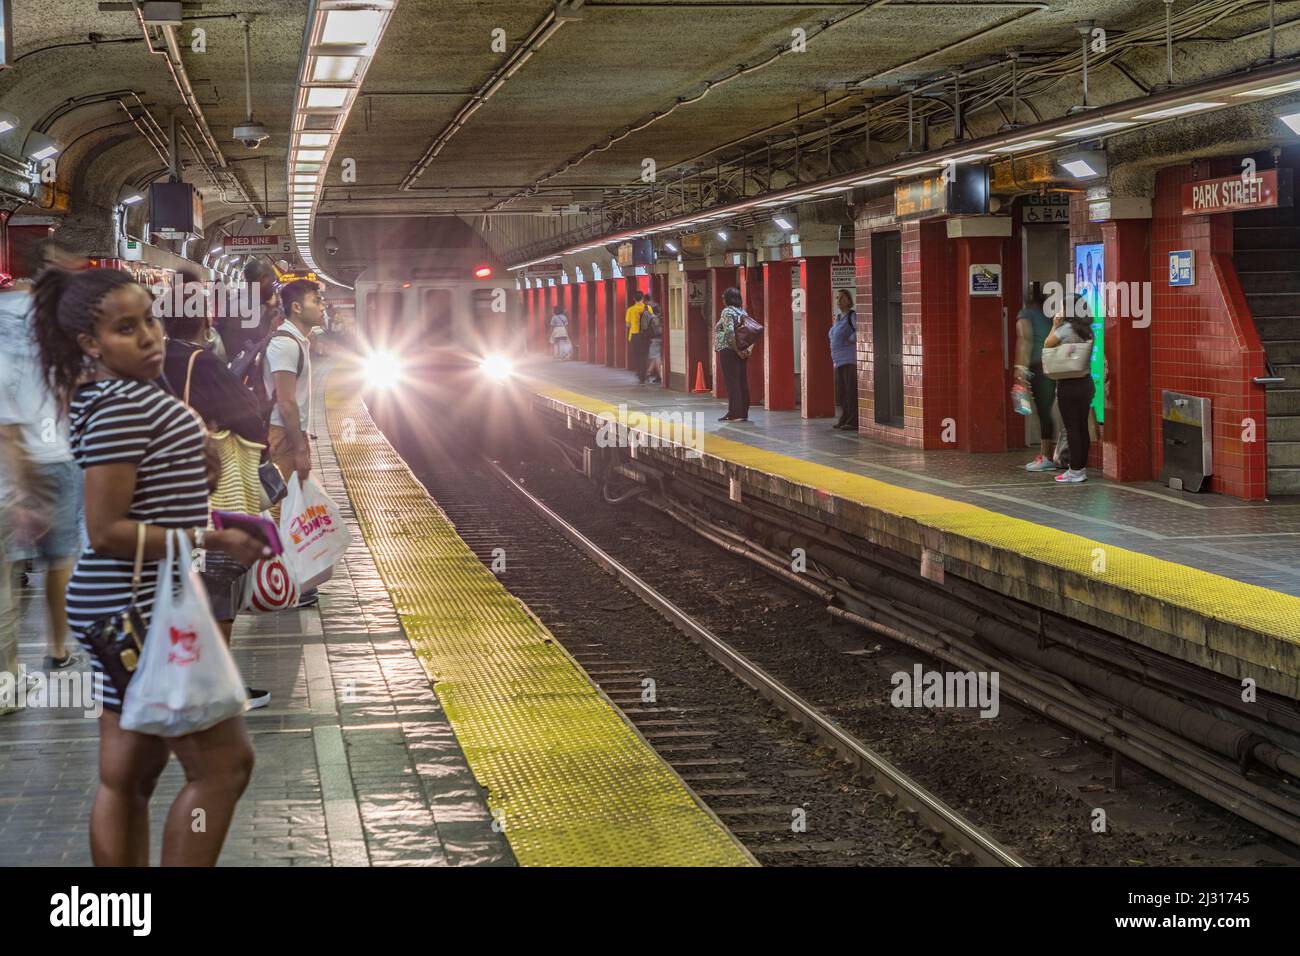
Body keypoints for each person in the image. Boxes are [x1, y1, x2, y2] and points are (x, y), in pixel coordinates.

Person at [32, 266, 270, 866]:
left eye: (151, 319)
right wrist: (212, 543)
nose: (149, 337)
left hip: (126, 601)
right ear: (92, 344)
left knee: (129, 773)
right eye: (125, 328)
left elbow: (150, 495)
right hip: (133, 605)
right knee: (222, 766)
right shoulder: (121, 406)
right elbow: (108, 529)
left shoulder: (125, 395)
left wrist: (202, 486)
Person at [161, 273, 272, 709]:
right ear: (204, 319)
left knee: (178, 587)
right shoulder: (201, 361)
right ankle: (219, 684)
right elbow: (247, 417)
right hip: (209, 491)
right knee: (217, 586)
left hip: (162, 492)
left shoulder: (151, 360)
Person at [0, 275, 85, 675]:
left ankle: (10, 666)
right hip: (56, 454)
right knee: (60, 557)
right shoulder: (58, 330)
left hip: (10, 461)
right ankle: (56, 648)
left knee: (10, 570)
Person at [263, 279, 324, 484]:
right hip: (281, 435)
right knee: (281, 507)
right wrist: (299, 448)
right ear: (296, 307)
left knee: (292, 506)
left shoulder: (298, 340)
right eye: (316, 301)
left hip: (290, 432)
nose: (322, 306)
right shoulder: (285, 344)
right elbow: (286, 402)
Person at [1044, 294, 1095, 484]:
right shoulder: (1088, 330)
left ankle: (1074, 471)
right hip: (1086, 383)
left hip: (1068, 384)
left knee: (1072, 428)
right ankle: (1080, 469)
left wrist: (1054, 325)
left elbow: (1048, 344)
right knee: (1082, 427)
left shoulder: (1065, 328)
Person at [1014, 286, 1059, 471]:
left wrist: (1020, 368)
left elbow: (1025, 339)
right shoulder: (1047, 316)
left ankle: (1046, 456)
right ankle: (1046, 454)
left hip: (1037, 367)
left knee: (1043, 412)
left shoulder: (1025, 314)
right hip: (1050, 366)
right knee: (1045, 411)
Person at [715, 287, 753, 422]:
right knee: (742, 381)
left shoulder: (727, 311)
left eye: (723, 297)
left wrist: (736, 350)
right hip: (741, 350)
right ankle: (743, 412)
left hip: (729, 350)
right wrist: (745, 350)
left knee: (732, 382)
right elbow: (750, 332)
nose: (722, 299)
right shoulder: (742, 311)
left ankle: (734, 413)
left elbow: (729, 333)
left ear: (728, 299)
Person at [829, 289, 858, 430]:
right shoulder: (839, 317)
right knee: (842, 392)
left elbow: (860, 330)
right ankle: (845, 417)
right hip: (839, 360)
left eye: (841, 298)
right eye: (837, 298)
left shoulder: (852, 315)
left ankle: (853, 420)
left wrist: (850, 340)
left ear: (848, 300)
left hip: (850, 360)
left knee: (850, 391)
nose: (838, 301)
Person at [626, 290, 648, 384]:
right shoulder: (648, 308)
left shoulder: (630, 310)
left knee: (637, 356)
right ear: (643, 298)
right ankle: (643, 374)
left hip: (634, 335)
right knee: (644, 356)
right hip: (645, 336)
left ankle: (640, 374)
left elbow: (628, 324)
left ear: (634, 299)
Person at [644, 298, 663, 385]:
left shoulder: (650, 318)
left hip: (654, 339)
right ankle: (657, 375)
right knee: (656, 358)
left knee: (656, 358)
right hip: (658, 338)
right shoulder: (657, 318)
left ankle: (654, 374)